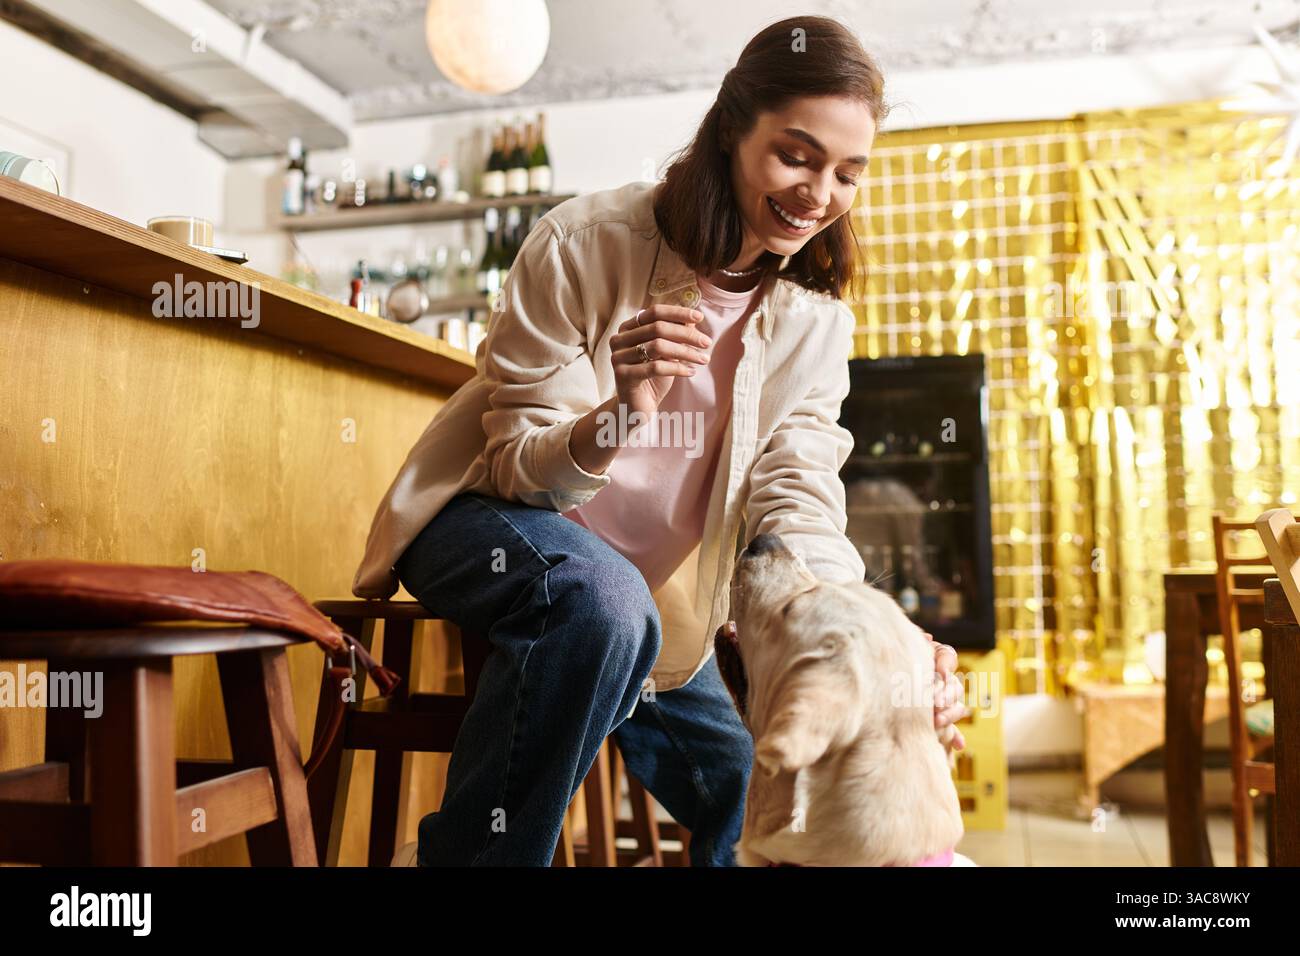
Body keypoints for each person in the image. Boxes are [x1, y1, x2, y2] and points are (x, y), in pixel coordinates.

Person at [352, 14, 967, 867]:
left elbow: (801, 490)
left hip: (660, 602)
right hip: (490, 522)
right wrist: (621, 412)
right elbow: (513, 463)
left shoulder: (815, 324)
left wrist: (874, 636)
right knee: (599, 603)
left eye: (847, 173)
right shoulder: (581, 241)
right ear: (730, 130)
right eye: (796, 155)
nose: (819, 194)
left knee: (755, 788)